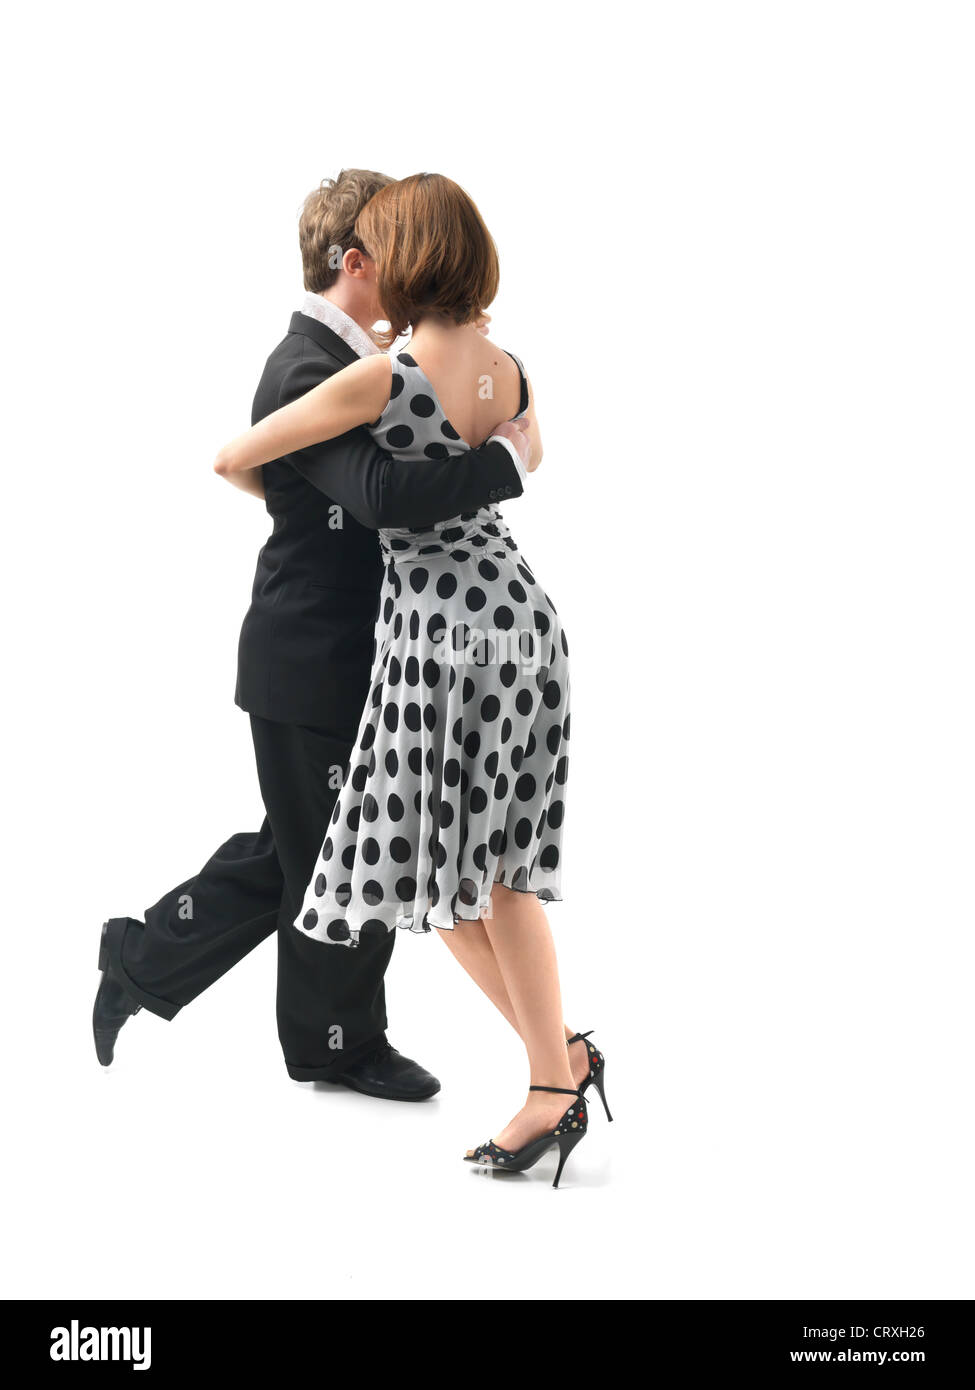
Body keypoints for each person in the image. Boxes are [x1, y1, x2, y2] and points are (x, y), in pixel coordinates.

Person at [93, 169, 532, 1099]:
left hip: (356, 649)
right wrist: (504, 459)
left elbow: (308, 486)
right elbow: (380, 498)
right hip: (314, 655)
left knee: (313, 848)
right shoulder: (308, 368)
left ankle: (144, 960)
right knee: (339, 855)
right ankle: (334, 1042)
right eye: (397, 250)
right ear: (358, 261)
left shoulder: (363, 366)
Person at [214, 173, 610, 1186]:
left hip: (441, 639)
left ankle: (554, 1082)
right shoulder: (512, 368)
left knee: (458, 885)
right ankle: (558, 1064)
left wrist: (302, 499)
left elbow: (237, 458)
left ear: (409, 261)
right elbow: (529, 456)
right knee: (487, 878)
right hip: (525, 624)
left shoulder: (382, 377)